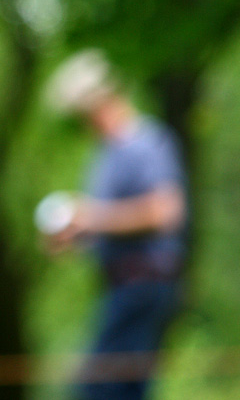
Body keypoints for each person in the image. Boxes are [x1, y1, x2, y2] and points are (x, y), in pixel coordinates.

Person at [43, 49, 187, 400]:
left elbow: (165, 212)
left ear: (102, 100)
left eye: (84, 112)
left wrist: (90, 216)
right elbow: (113, 226)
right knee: (125, 391)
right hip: (122, 286)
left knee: (98, 390)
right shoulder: (105, 155)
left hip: (144, 285)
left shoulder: (145, 142)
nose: (85, 122)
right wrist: (77, 235)